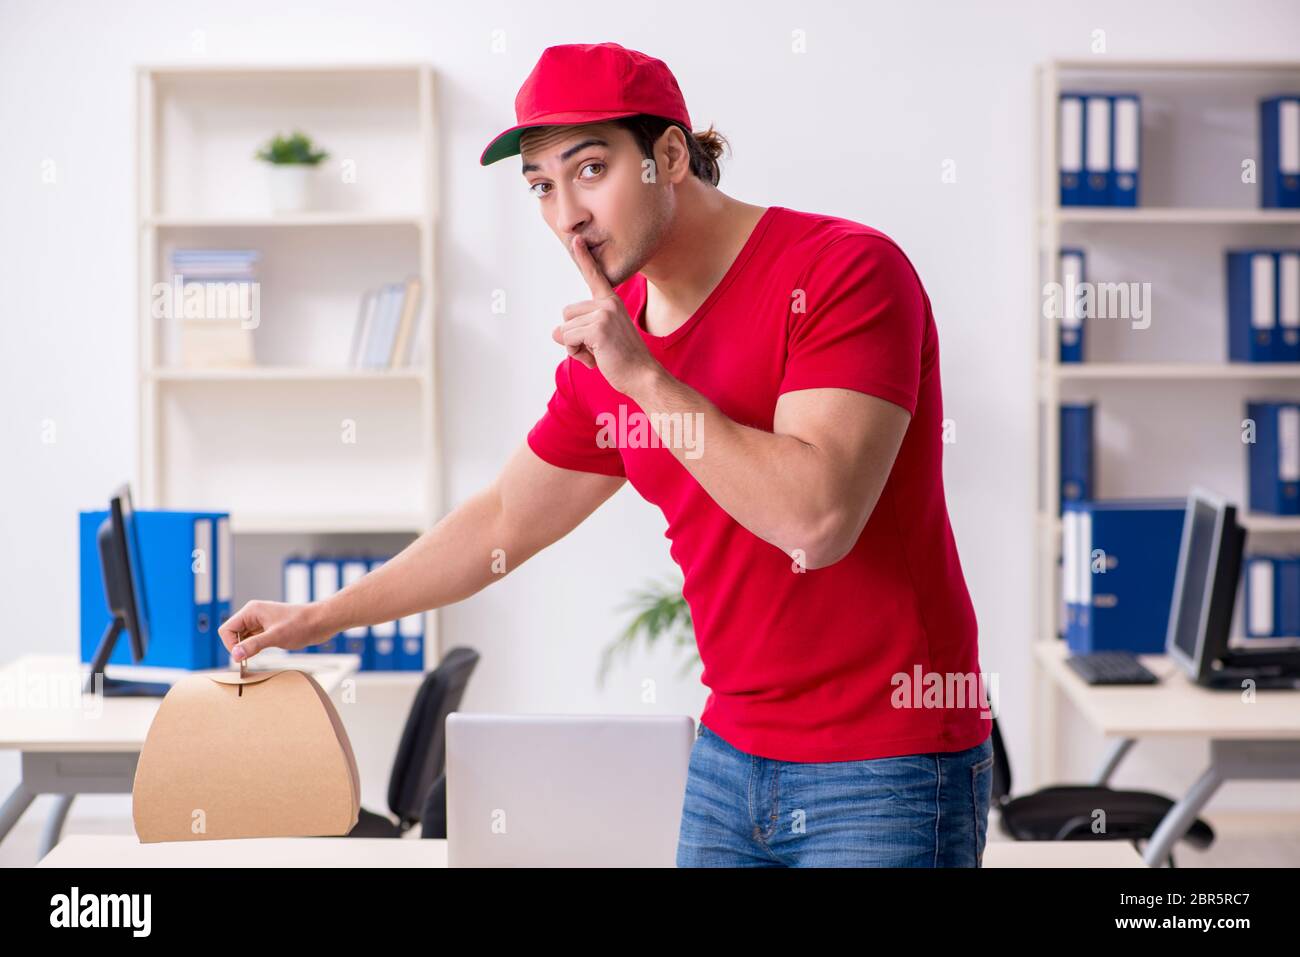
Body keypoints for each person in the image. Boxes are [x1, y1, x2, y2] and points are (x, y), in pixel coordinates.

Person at [219, 41, 994, 867]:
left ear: (668, 154)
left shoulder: (843, 273)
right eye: (543, 187)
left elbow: (817, 519)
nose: (566, 217)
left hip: (886, 765)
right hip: (731, 759)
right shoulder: (618, 338)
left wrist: (646, 379)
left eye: (590, 170)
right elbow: (503, 519)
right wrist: (321, 616)